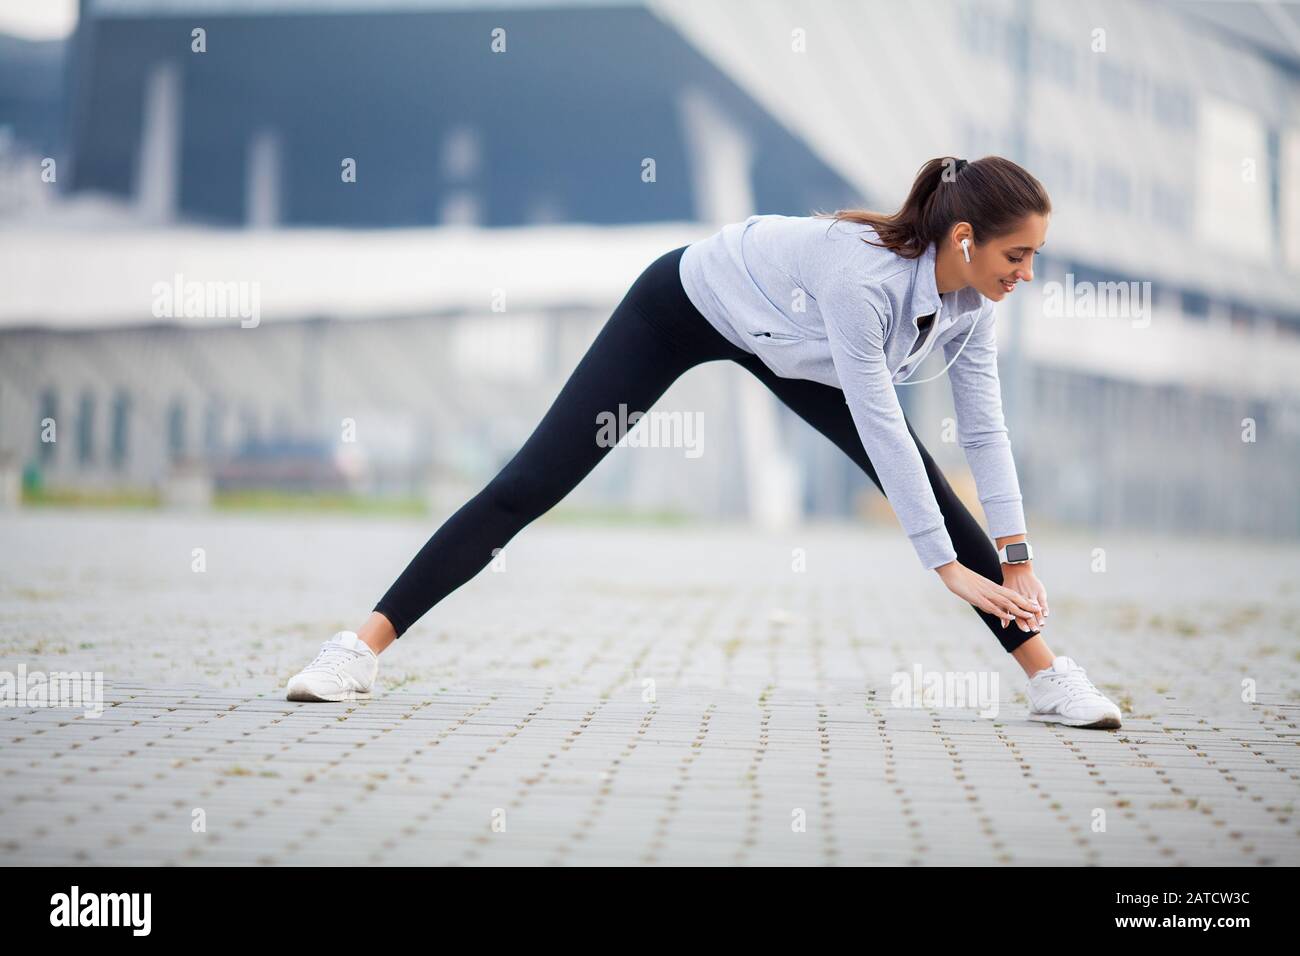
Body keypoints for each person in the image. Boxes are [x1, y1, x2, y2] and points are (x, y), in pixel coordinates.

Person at [285, 155, 1123, 730]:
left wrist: (1013, 556)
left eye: (1037, 257)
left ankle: (1049, 677)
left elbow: (984, 429)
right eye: (1019, 254)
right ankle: (356, 650)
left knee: (943, 489)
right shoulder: (862, 279)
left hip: (797, 347)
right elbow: (880, 426)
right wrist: (945, 570)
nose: (1027, 274)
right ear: (968, 237)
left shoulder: (977, 309)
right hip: (687, 304)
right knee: (530, 483)